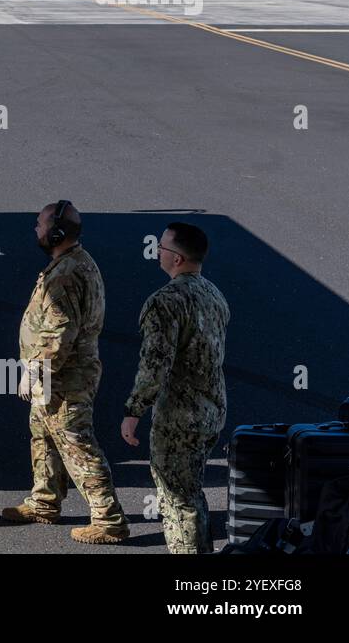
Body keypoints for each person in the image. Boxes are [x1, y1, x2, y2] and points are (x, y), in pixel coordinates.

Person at [1, 200, 130, 545]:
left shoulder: (67, 275)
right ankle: (44, 501)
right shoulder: (73, 263)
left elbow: (60, 332)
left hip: (63, 377)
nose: (36, 229)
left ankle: (108, 519)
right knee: (43, 436)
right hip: (57, 375)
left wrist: (36, 371)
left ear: (56, 233)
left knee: (76, 443)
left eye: (40, 224)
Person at [121, 222, 229, 554]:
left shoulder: (164, 302)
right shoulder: (214, 294)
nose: (157, 251)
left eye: (162, 247)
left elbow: (155, 365)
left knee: (177, 499)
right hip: (212, 411)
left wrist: (133, 411)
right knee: (191, 491)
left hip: (180, 417)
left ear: (178, 259)